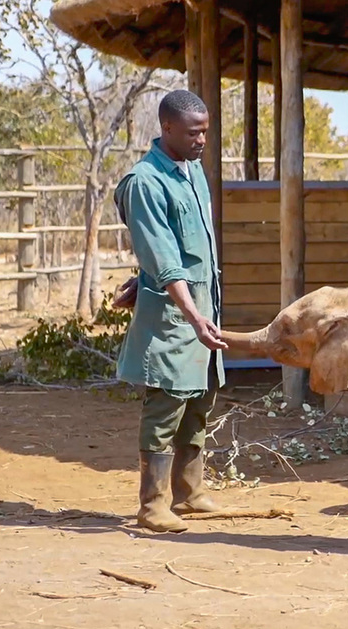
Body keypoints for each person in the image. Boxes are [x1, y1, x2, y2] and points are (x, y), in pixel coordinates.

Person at [111, 89, 228, 533]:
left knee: (201, 396)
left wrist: (203, 310)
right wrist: (193, 316)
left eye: (205, 132)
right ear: (167, 129)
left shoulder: (192, 170)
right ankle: (152, 504)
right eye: (194, 133)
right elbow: (162, 256)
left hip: (202, 305)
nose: (202, 141)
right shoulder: (146, 181)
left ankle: (189, 492)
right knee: (167, 401)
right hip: (175, 315)